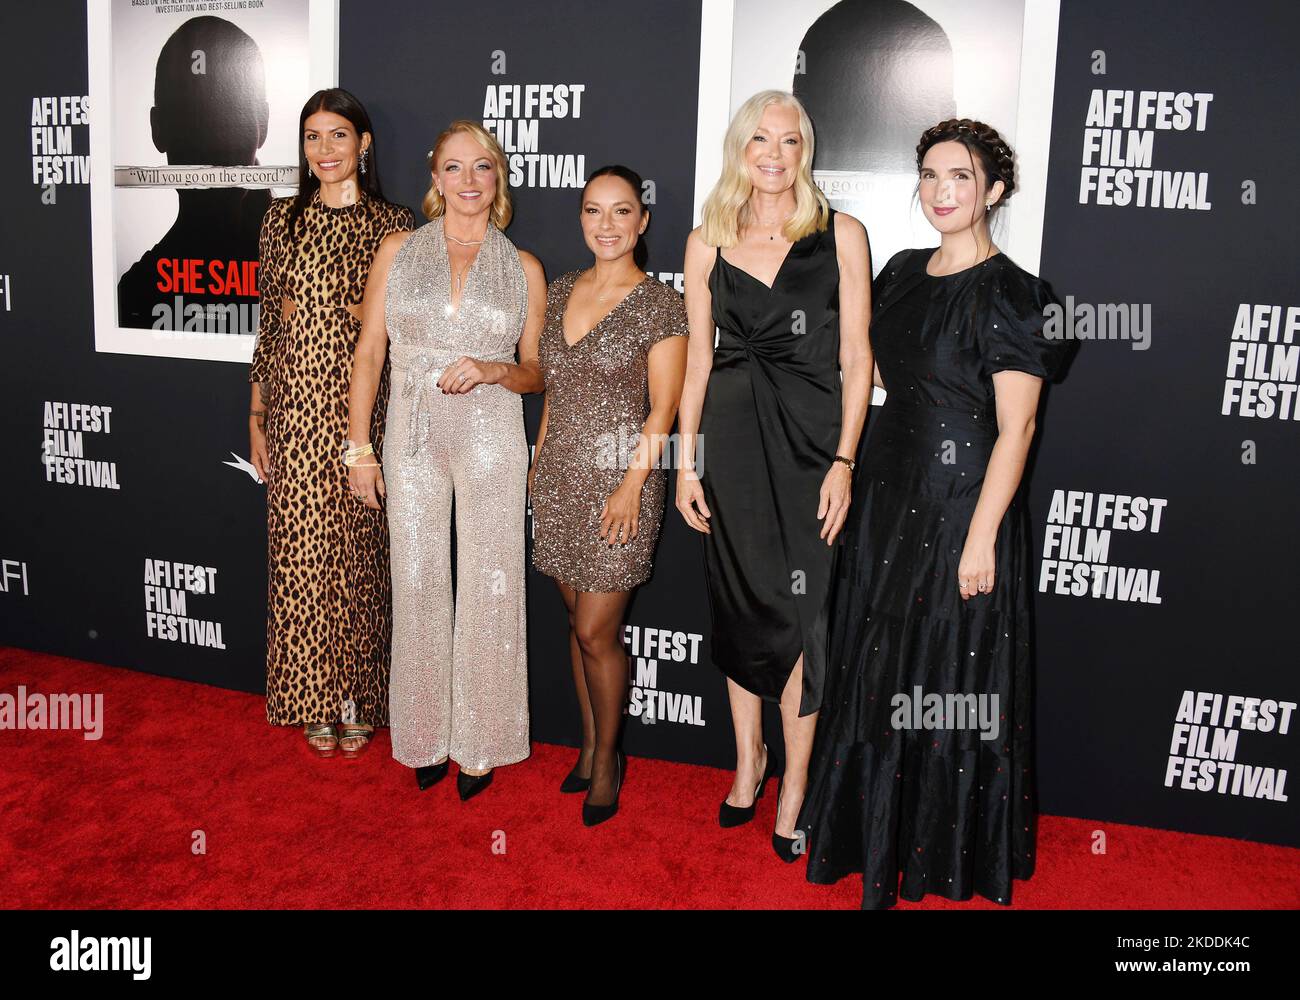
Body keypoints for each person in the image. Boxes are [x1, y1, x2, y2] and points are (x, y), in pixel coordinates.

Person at [799, 119, 1074, 908]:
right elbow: (863, 369)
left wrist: (983, 534)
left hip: (959, 508)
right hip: (886, 491)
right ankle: (863, 830)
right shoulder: (900, 273)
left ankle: (932, 848)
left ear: (993, 191)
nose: (942, 191)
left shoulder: (1019, 296)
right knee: (877, 661)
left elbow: (1018, 427)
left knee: (941, 672)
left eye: (960, 177)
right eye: (929, 176)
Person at [676, 91, 873, 859]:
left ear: (805, 151)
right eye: (760, 138)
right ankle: (747, 760)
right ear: (739, 147)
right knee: (743, 605)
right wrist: (688, 464)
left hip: (811, 447)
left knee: (804, 621)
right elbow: (697, 362)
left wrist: (845, 460)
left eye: (789, 141)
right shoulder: (706, 242)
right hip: (731, 446)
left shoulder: (840, 235)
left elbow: (857, 361)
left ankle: (795, 781)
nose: (774, 152)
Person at [347, 120, 546, 800]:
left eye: (481, 168)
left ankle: (482, 743)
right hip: (409, 439)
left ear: (498, 179)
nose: (468, 181)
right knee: (418, 579)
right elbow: (369, 351)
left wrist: (493, 368)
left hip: (492, 435)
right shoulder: (398, 250)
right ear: (435, 177)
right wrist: (358, 447)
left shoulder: (523, 268)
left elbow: (536, 372)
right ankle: (425, 735)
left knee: (493, 586)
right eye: (454, 168)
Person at [247, 88, 413, 757]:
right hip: (292, 411)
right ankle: (312, 695)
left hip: (363, 413)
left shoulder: (393, 225)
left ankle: (358, 697)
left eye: (338, 136)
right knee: (301, 561)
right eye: (313, 137)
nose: (325, 150)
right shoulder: (280, 221)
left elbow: (397, 331)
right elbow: (268, 328)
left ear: (364, 143)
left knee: (360, 558)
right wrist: (257, 416)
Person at [529, 165, 689, 826]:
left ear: (642, 221)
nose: (607, 224)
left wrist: (632, 487)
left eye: (621, 212)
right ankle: (591, 746)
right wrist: (538, 457)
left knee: (598, 629)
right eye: (594, 211)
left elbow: (665, 411)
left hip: (622, 482)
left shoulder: (661, 304)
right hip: (561, 476)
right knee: (577, 624)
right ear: (582, 218)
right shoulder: (564, 287)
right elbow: (553, 388)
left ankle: (611, 758)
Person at [119, 16, 272, 331]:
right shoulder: (137, 294)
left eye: (229, 112)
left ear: (263, 123)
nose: (212, 137)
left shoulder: (139, 292)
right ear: (158, 129)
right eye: (192, 116)